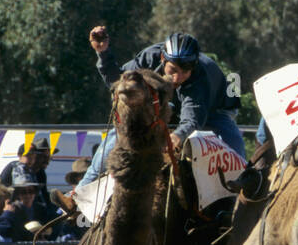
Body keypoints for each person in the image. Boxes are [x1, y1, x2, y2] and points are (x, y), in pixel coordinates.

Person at [82, 29, 246, 187]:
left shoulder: (200, 78)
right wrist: (103, 52)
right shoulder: (148, 59)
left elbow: (192, 120)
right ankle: (78, 193)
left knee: (232, 143)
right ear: (162, 58)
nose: (177, 77)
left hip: (213, 110)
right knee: (120, 134)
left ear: (194, 66)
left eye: (185, 71)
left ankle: (243, 186)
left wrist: (177, 136)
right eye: (173, 70)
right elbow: (117, 82)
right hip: (168, 105)